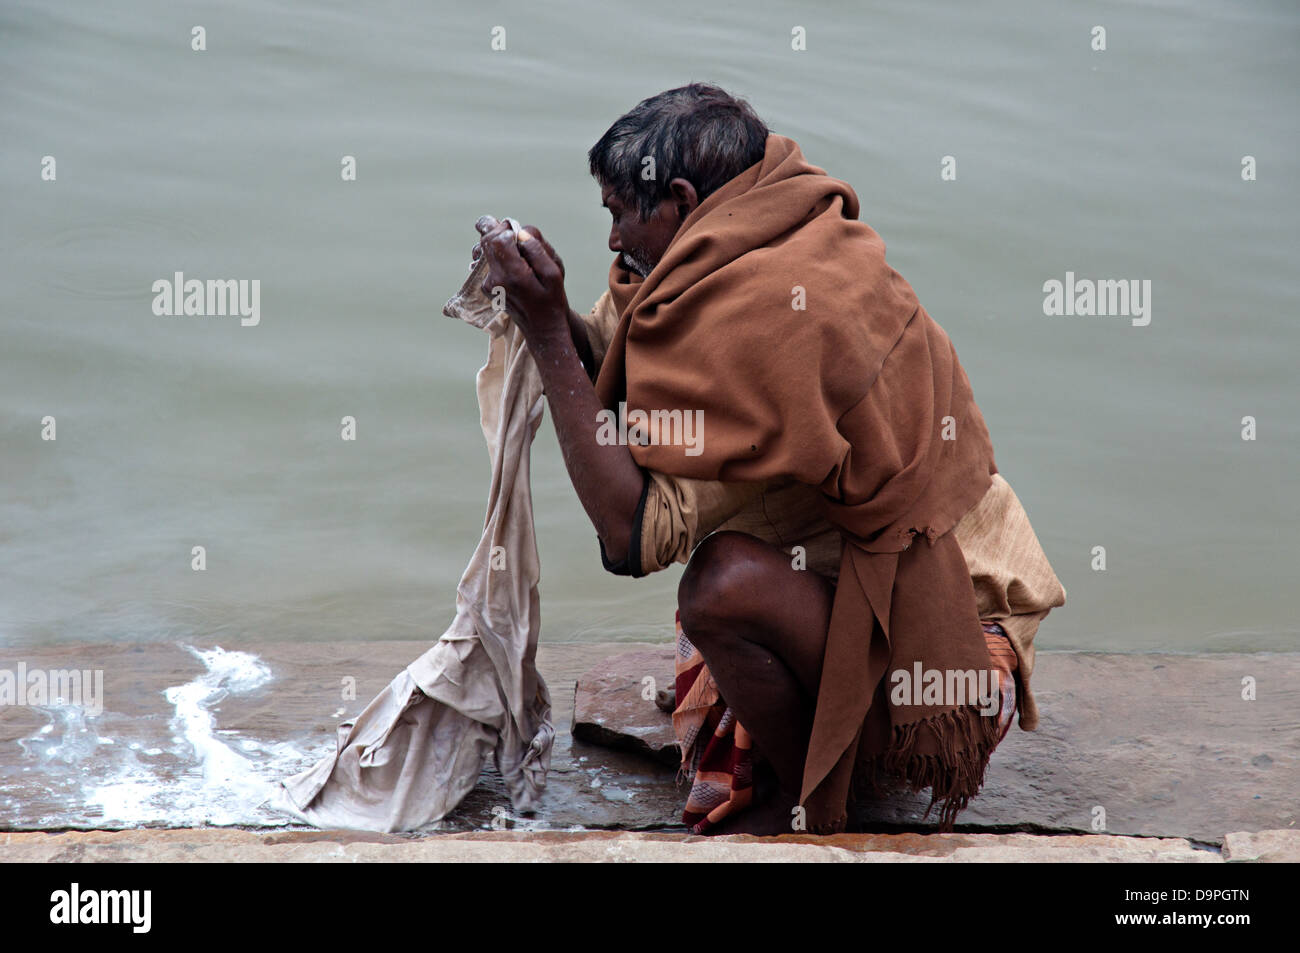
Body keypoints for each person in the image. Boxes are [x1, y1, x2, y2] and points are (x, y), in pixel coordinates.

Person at [476, 83, 1065, 835]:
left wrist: (548, 338)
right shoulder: (740, 237)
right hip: (861, 572)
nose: (615, 238)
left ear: (681, 200)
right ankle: (809, 721)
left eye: (621, 213)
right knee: (736, 583)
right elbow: (612, 358)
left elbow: (633, 536)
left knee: (719, 589)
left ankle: (813, 803)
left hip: (943, 644)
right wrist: (548, 303)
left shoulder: (767, 323)